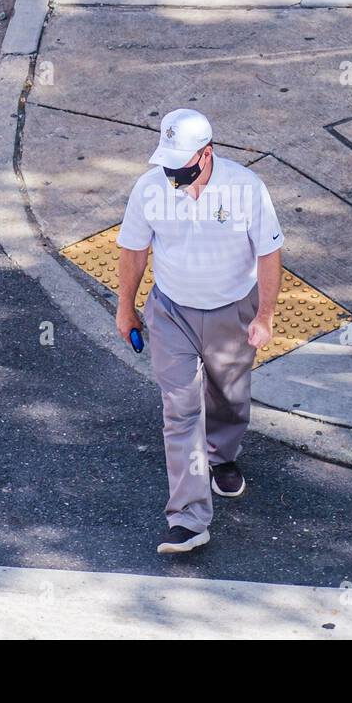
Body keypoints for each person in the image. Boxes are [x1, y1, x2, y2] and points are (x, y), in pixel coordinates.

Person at [116, 108, 284, 554]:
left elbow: (268, 255)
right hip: (171, 311)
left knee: (227, 395)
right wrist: (125, 308)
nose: (173, 176)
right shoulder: (152, 188)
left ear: (206, 155)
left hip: (233, 309)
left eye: (182, 168)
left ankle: (223, 455)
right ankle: (188, 519)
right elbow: (133, 251)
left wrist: (264, 316)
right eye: (168, 167)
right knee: (181, 410)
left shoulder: (246, 189)